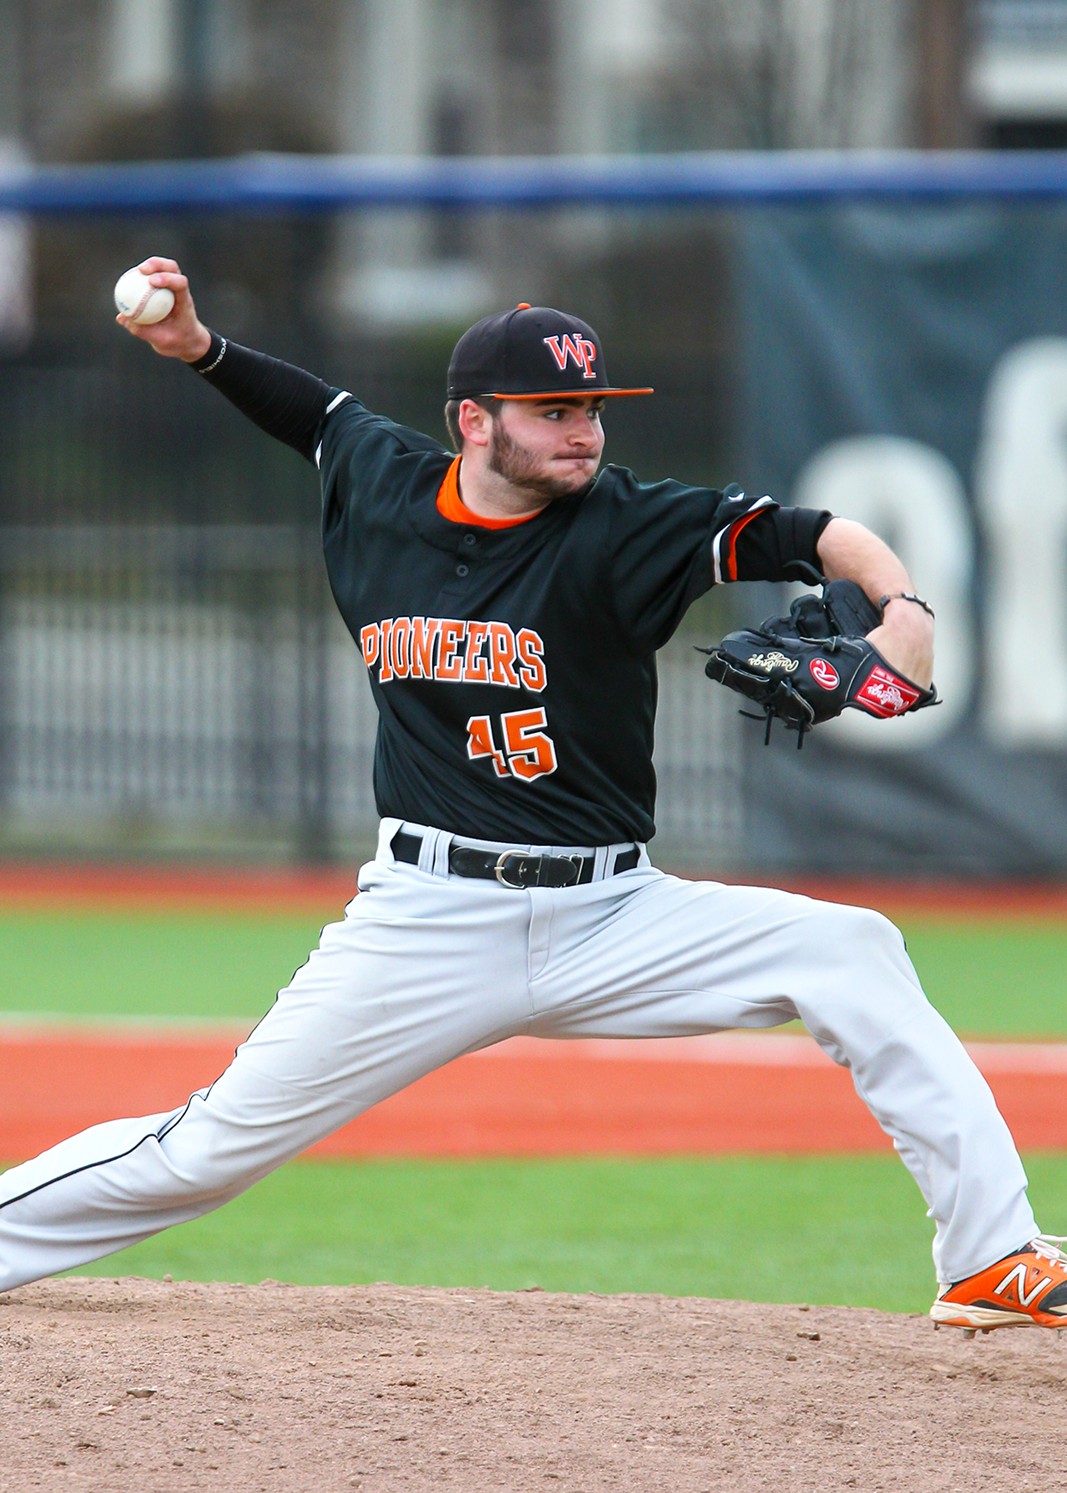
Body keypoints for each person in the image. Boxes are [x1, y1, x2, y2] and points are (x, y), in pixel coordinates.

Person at [0, 257, 1062, 1335]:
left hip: (615, 913)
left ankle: (987, 1256)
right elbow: (309, 409)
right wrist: (197, 349)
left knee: (851, 949)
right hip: (428, 918)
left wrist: (901, 610)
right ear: (472, 421)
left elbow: (812, 532)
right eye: (551, 410)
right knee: (207, 1151)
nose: (582, 432)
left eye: (591, 408)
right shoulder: (378, 479)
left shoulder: (624, 523)